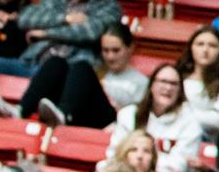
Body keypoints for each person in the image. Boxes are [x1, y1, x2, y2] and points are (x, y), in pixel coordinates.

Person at [14, 23, 149, 128]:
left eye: (116, 51)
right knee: (56, 63)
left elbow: (140, 118)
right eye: (105, 51)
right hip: (82, 116)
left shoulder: (141, 82)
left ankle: (64, 115)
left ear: (130, 48)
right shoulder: (98, 71)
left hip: (111, 123)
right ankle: (21, 110)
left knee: (82, 67)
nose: (110, 56)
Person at [107, 63, 208, 172]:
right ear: (151, 86)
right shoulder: (128, 114)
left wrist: (136, 161)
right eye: (163, 81)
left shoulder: (191, 123)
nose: (168, 88)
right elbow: (114, 154)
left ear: (180, 90)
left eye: (173, 84)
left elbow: (178, 167)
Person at [176, 24, 219, 136]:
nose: (205, 50)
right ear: (191, 48)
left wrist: (179, 113)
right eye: (200, 44)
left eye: (212, 46)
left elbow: (218, 120)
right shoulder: (176, 75)